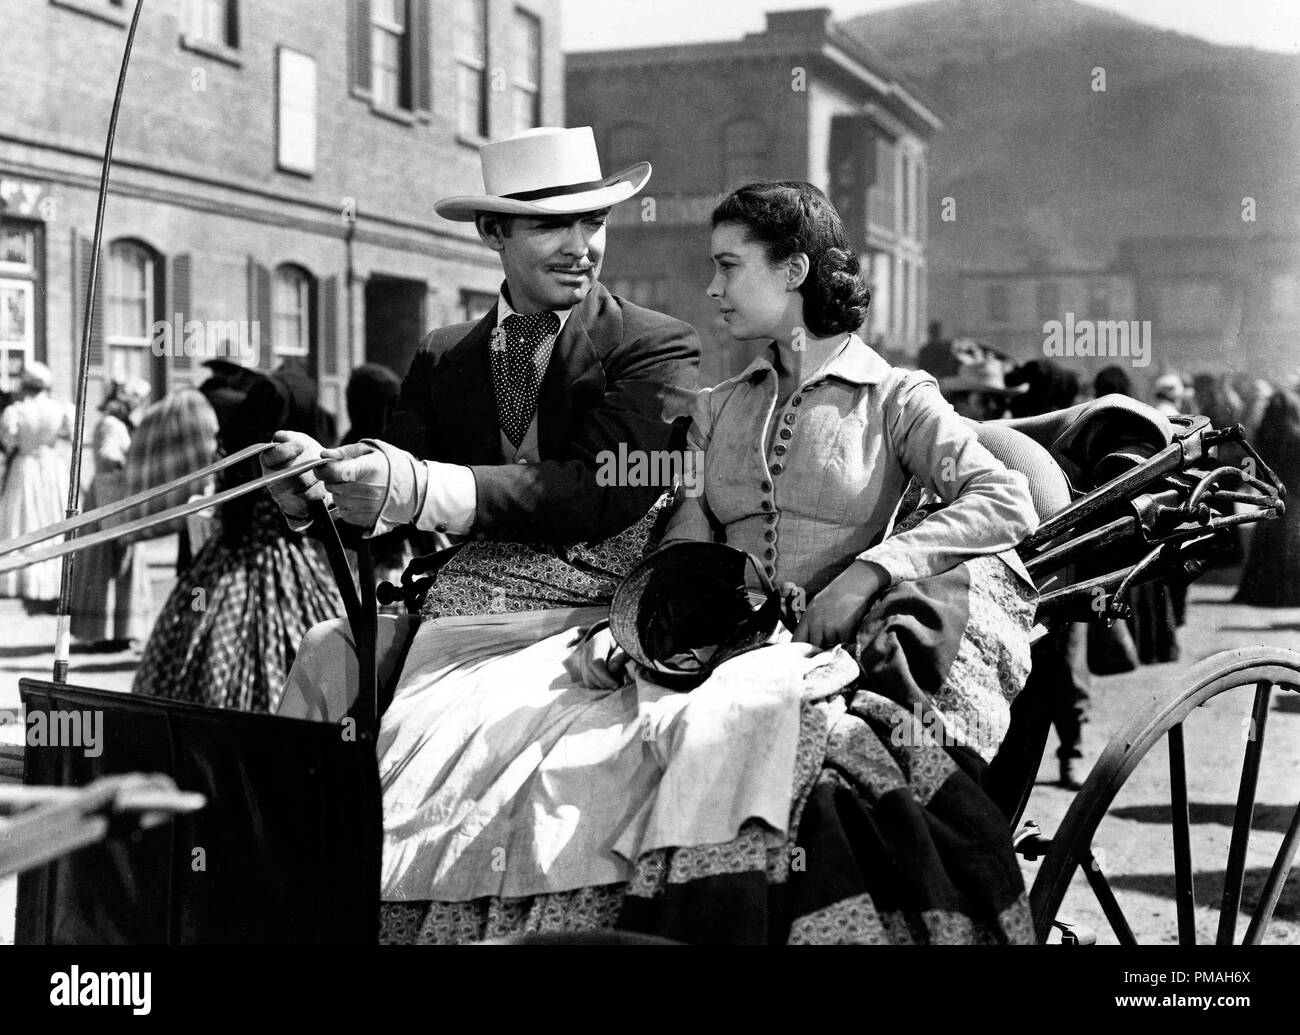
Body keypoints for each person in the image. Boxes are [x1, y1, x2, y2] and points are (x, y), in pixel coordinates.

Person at [284, 181, 1040, 944]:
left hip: (816, 648)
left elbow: (1006, 496)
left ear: (794, 272)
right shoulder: (722, 405)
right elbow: (684, 542)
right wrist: (640, 624)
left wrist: (872, 570)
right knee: (609, 748)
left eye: (728, 266)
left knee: (747, 740)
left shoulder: (896, 398)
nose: (710, 287)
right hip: (712, 645)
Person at [132, 365, 345, 713]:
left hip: (240, 555)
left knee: (209, 638)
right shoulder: (288, 455)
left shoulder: (247, 447)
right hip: (274, 557)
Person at [69, 376, 153, 648]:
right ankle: (106, 633)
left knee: (123, 560)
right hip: (109, 496)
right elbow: (108, 456)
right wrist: (133, 461)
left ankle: (121, 630)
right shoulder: (110, 425)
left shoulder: (124, 425)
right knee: (109, 559)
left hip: (119, 493)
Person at [0, 362, 74, 608]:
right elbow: (71, 435)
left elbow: (8, 442)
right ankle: (52, 579)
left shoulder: (18, 411)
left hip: (26, 466)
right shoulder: (59, 409)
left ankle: (26, 579)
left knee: (25, 518)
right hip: (53, 467)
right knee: (51, 517)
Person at [1235, 381, 1300, 606]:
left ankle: (1265, 591)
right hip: (1292, 492)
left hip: (1274, 490)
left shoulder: (1270, 421)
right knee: (1288, 543)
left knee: (1269, 541)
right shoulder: (1295, 428)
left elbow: (1257, 454)